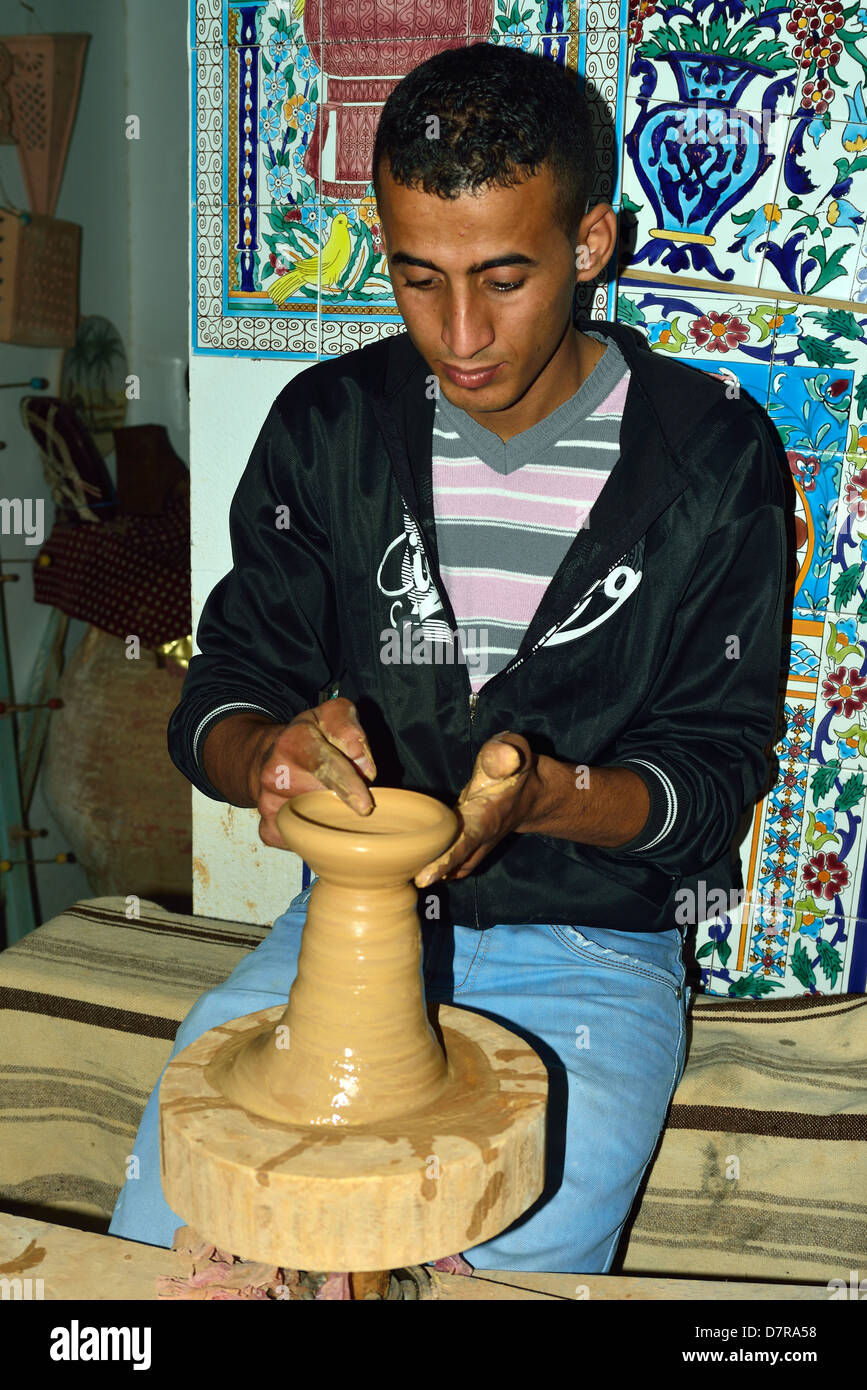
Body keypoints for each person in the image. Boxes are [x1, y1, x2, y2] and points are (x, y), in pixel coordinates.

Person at [109, 42, 789, 1274]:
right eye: (418, 279)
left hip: (594, 953)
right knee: (176, 1245)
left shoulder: (712, 459)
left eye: (504, 277)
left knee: (496, 1257)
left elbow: (716, 772)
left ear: (591, 245)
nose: (459, 335)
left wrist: (551, 797)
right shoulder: (329, 427)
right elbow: (221, 691)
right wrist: (267, 750)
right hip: (345, 933)